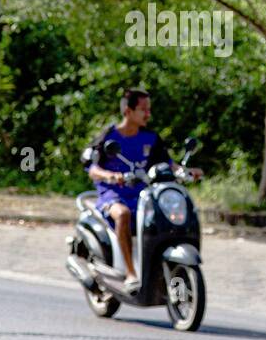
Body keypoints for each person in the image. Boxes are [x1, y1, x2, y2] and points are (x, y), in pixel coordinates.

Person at [85, 88, 201, 292]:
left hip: (144, 194)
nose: (148, 114)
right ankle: (131, 273)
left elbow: (167, 164)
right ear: (128, 111)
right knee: (122, 214)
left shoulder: (151, 138)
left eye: (149, 109)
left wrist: (186, 172)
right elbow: (92, 168)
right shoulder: (108, 137)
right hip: (113, 194)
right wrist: (110, 176)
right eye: (143, 110)